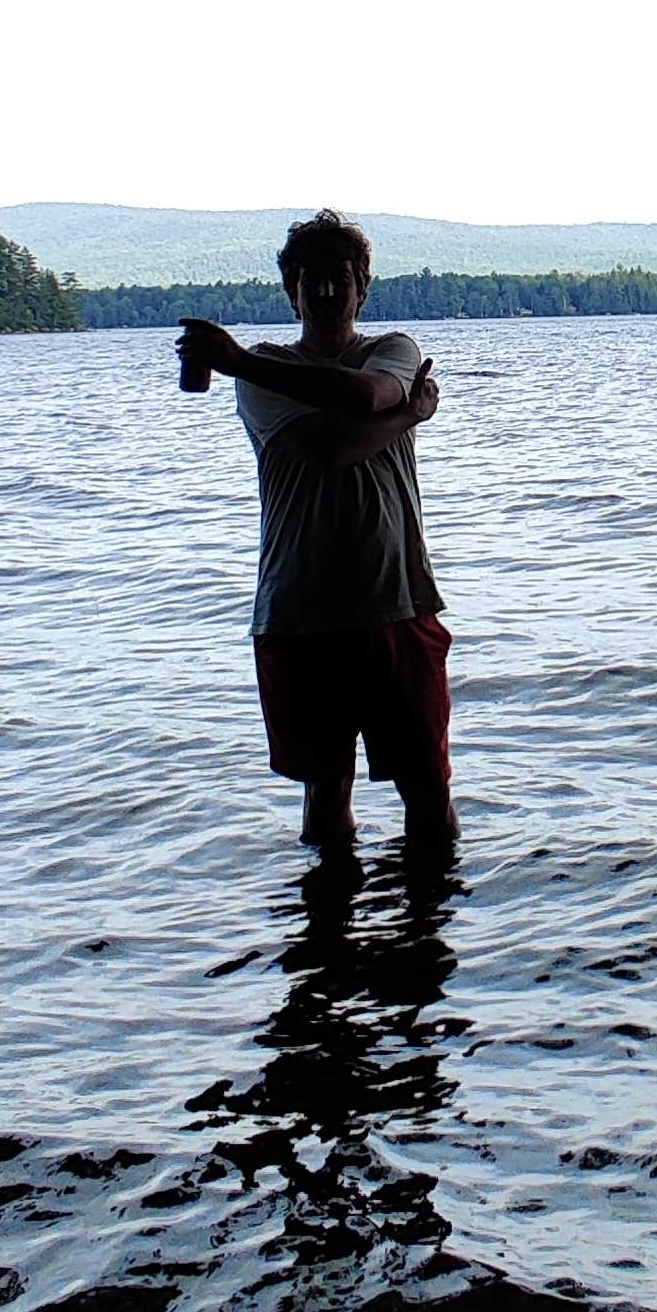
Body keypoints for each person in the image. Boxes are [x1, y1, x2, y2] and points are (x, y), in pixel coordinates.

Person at [176, 211, 454, 871]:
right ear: (290, 291)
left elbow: (364, 394)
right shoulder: (265, 370)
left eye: (341, 279)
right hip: (300, 613)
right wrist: (408, 415)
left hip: (397, 600)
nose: (327, 293)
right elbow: (329, 449)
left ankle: (426, 937)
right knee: (326, 794)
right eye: (312, 281)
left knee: (428, 792)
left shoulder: (393, 347)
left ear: (362, 288)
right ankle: (328, 942)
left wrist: (397, 406)